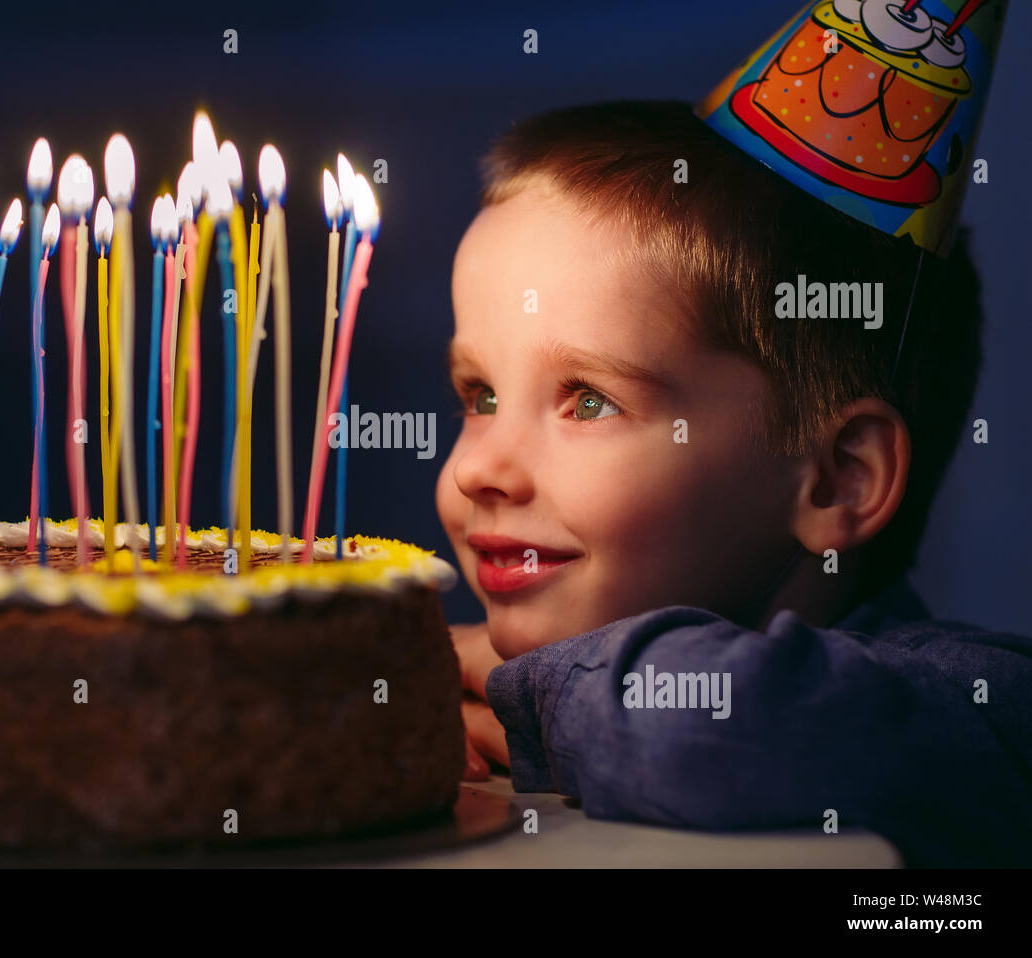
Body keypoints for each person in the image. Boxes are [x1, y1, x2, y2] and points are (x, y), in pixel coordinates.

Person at [436, 98, 1032, 867]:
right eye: (479, 396)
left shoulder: (984, 713)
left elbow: (723, 731)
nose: (476, 469)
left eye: (589, 401)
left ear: (836, 479)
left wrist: (534, 699)